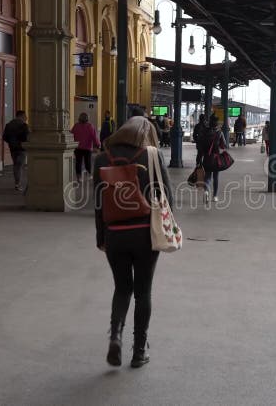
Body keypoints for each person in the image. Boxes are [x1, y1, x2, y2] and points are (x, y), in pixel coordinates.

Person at [94, 116, 173, 369]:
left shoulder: (102, 157)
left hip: (115, 234)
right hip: (144, 233)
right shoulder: (151, 154)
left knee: (122, 289)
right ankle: (139, 351)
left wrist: (102, 237)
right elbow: (168, 196)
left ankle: (115, 335)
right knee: (143, 292)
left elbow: (98, 204)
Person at [202, 114, 228, 203]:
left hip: (207, 157)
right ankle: (215, 196)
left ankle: (206, 191)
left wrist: (199, 157)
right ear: (217, 123)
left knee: (207, 176)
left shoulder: (205, 132)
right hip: (216, 157)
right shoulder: (219, 132)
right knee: (216, 177)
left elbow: (201, 144)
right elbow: (224, 145)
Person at [3, 110, 30, 191]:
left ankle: (17, 183)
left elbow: (4, 137)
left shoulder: (9, 125)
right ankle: (17, 184)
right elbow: (27, 137)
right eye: (25, 116)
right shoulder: (23, 125)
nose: (26, 118)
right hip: (21, 149)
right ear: (21, 116)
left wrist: (11, 142)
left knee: (16, 165)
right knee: (19, 166)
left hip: (13, 148)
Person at [70, 112, 100, 180]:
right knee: (88, 162)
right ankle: (88, 175)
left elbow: (71, 135)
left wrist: (71, 145)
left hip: (78, 148)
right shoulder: (90, 126)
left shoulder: (76, 126)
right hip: (87, 148)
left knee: (78, 162)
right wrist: (98, 145)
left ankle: (79, 176)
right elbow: (94, 137)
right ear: (87, 119)